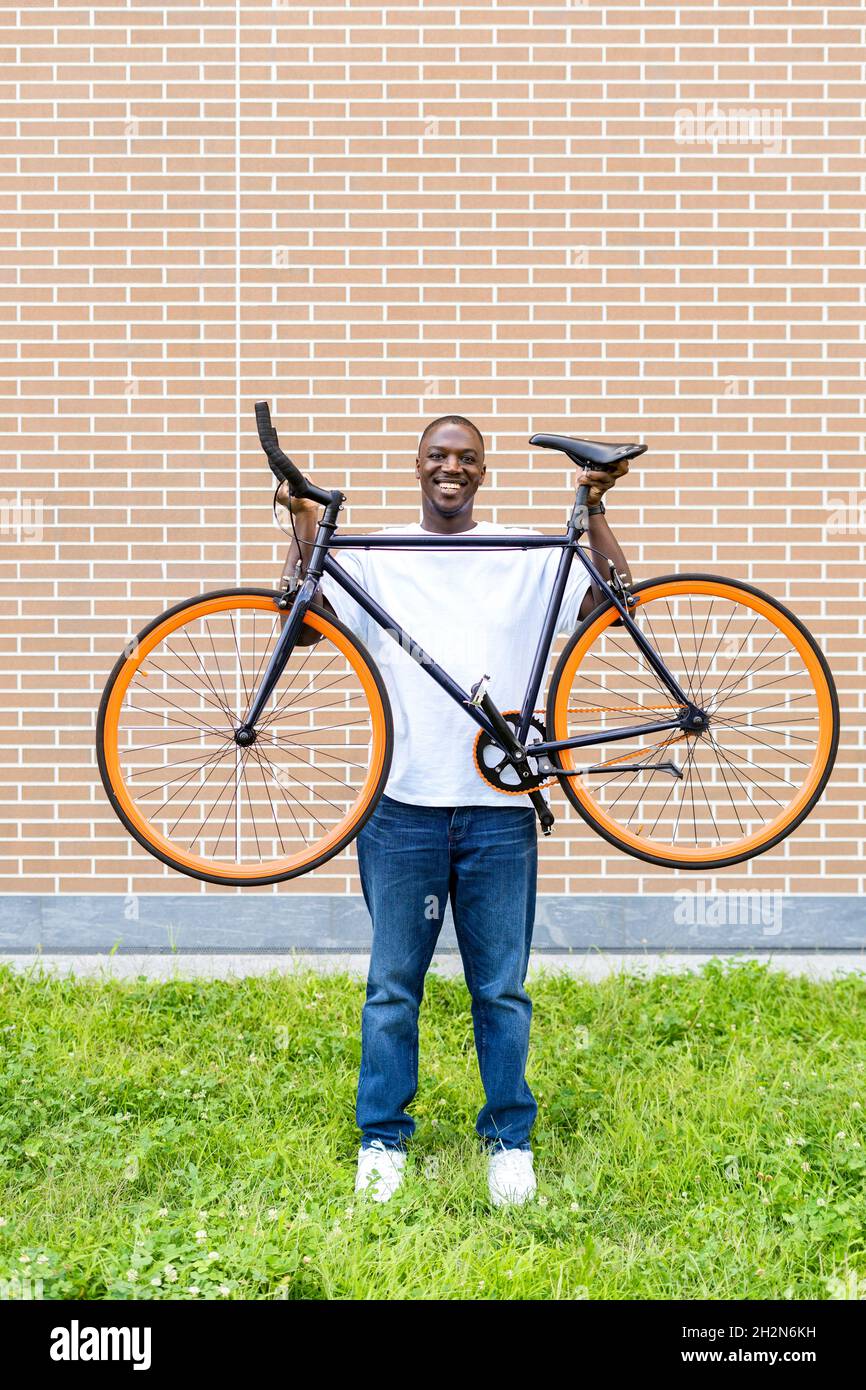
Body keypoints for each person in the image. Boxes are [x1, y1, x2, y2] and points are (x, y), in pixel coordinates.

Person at [276, 416, 631, 1206]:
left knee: (500, 987)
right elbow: (297, 628)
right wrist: (304, 526)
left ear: (483, 471)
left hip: (498, 813)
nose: (452, 468)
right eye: (439, 456)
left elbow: (618, 597)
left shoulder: (527, 555)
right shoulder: (376, 556)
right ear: (415, 465)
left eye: (467, 458)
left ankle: (509, 1139)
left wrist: (594, 508)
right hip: (402, 806)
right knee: (392, 986)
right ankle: (382, 1141)